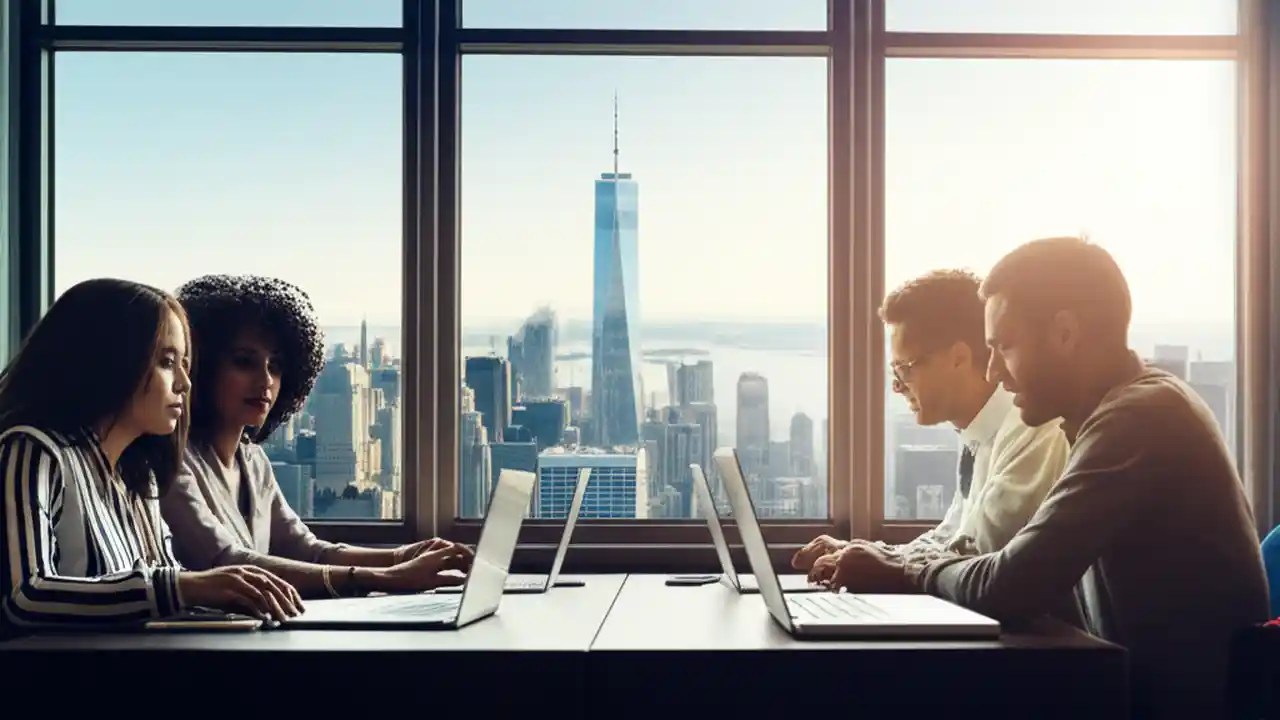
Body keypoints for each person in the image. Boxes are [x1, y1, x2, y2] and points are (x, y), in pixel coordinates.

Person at [813, 237, 1268, 719]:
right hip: (1125, 691)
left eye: (1003, 347)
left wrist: (907, 571)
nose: (994, 373)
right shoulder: (1121, 410)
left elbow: (1010, 582)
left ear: (1065, 333)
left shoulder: (1138, 418)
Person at [0, 278, 302, 636]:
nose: (184, 383)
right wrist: (186, 587)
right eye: (166, 361)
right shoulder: (33, 451)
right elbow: (25, 598)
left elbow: (164, 590)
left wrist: (228, 603)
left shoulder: (138, 479)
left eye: (183, 364)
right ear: (110, 360)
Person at [160, 274, 472, 599]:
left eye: (276, 366)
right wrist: (387, 577)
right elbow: (229, 562)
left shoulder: (252, 459)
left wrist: (402, 557)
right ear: (201, 366)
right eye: (244, 362)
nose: (265, 379)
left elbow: (307, 550)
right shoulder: (172, 462)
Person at [792, 269, 1068, 573]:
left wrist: (890, 566)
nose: (897, 385)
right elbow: (950, 538)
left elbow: (979, 555)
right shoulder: (977, 434)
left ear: (958, 358)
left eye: (905, 368)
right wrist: (868, 552)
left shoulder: (1031, 429)